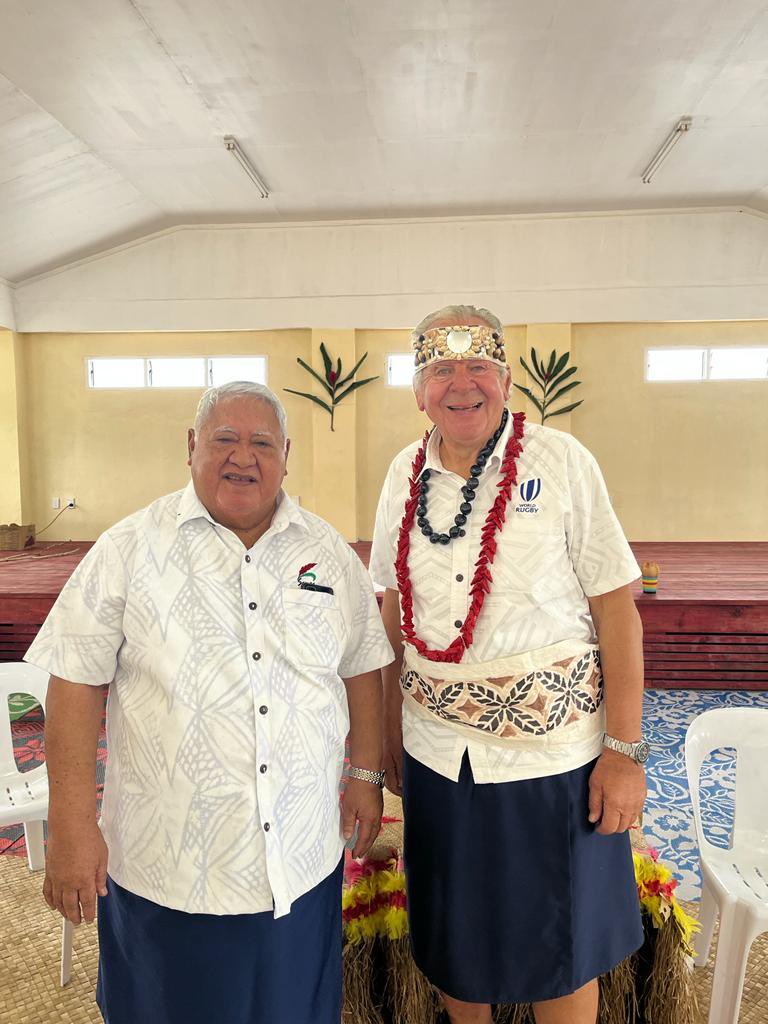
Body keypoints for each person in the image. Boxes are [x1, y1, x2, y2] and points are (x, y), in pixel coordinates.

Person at [26, 381, 393, 1024]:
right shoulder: (128, 549)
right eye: (225, 439)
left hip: (300, 862)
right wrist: (73, 825)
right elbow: (75, 684)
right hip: (167, 871)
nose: (242, 457)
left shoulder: (327, 552)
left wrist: (364, 774)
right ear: (191, 445)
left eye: (262, 443)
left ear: (286, 456)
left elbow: (361, 666)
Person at [370, 306, 648, 1024]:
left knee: (562, 949)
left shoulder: (561, 461)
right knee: (455, 940)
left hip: (555, 760)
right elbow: (391, 611)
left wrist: (624, 752)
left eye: (478, 367)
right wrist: (387, 736)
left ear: (507, 380)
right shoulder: (402, 475)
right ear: (418, 390)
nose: (461, 385)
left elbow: (617, 609)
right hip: (438, 755)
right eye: (441, 369)